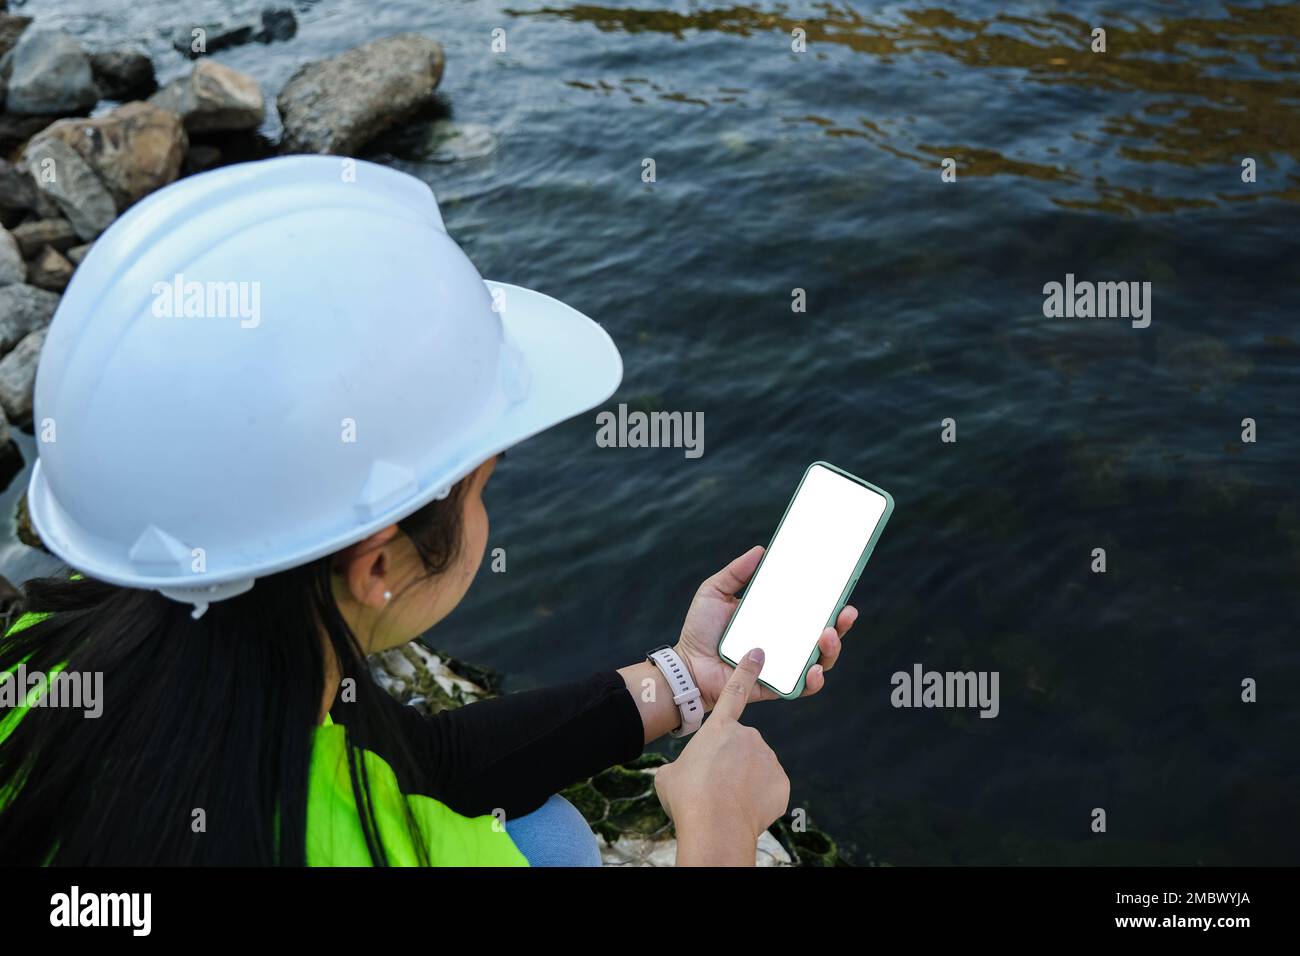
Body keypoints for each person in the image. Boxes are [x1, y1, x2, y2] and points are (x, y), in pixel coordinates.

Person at [0, 157, 856, 866]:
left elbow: (414, 761)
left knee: (547, 830)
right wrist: (718, 827)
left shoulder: (53, 661)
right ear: (378, 564)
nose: (487, 514)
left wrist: (681, 681)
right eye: (483, 484)